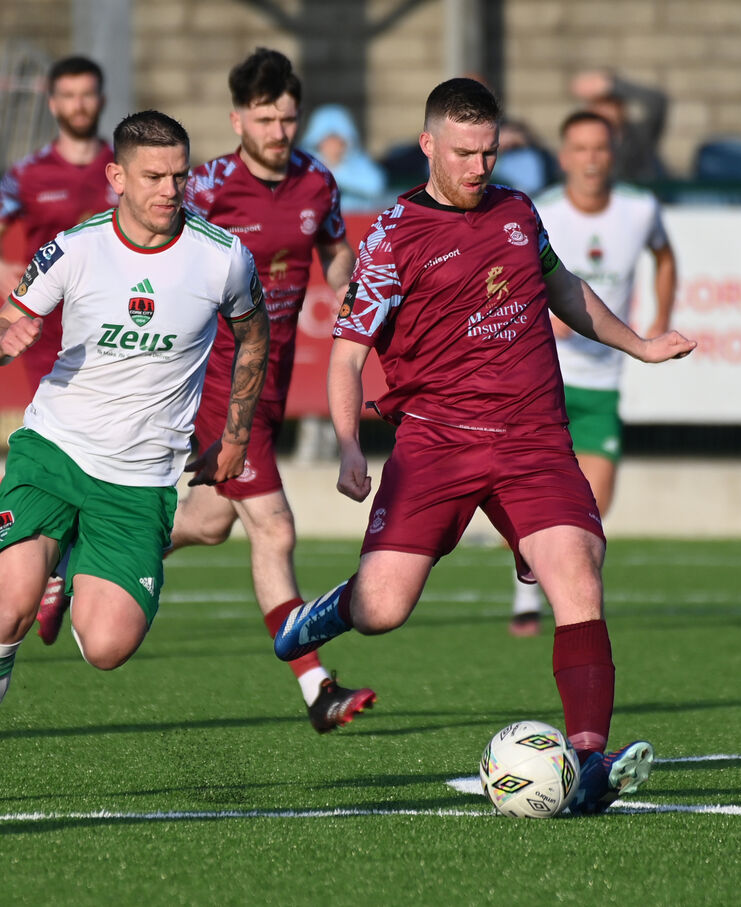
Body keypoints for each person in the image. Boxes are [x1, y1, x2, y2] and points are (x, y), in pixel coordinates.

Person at [273, 78, 695, 815]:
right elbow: (346, 354)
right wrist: (348, 444)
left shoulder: (517, 210)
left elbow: (564, 288)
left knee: (579, 573)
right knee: (384, 607)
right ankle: (327, 612)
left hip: (533, 437)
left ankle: (589, 762)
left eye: (489, 151)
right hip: (437, 444)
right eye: (464, 152)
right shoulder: (395, 234)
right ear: (429, 144)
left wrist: (641, 344)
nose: (478, 167)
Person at [0, 110, 270, 806]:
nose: (170, 189)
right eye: (153, 176)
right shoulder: (75, 249)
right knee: (13, 601)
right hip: (53, 451)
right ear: (116, 175)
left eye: (180, 175)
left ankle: (73, 564)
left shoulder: (222, 255)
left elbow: (254, 333)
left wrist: (235, 437)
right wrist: (5, 335)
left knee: (108, 646)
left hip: (140, 480)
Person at [169, 49, 376, 732]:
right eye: (265, 119)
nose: (279, 131)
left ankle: (79, 543)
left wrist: (361, 292)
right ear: (237, 119)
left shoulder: (318, 181)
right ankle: (317, 687)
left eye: (288, 118)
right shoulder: (205, 187)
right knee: (275, 528)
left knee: (207, 521)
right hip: (218, 382)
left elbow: (338, 255)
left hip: (272, 378)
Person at [509, 110, 677, 637]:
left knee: (591, 507)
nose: (590, 160)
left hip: (603, 380)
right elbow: (512, 280)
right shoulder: (545, 212)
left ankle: (568, 605)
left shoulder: (639, 208)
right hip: (545, 380)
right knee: (539, 501)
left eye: (599, 149)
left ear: (613, 155)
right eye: (579, 149)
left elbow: (664, 257)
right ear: (563, 157)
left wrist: (658, 320)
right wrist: (548, 315)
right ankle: (527, 601)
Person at [0, 55, 119, 391]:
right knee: (54, 432)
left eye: (87, 94)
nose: (78, 105)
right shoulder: (27, 174)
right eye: (68, 95)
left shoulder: (126, 168)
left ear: (102, 101)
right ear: (52, 104)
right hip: (46, 330)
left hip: (116, 325)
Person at [570, 69, 668, 182]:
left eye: (611, 103)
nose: (605, 110)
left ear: (622, 107)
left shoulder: (639, 136)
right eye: (599, 103)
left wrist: (612, 86)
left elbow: (658, 102)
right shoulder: (581, 138)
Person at [300, 103, 389, 212]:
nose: (332, 145)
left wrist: (336, 175)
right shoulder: (305, 166)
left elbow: (375, 186)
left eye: (337, 140)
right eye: (327, 140)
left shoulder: (359, 164)